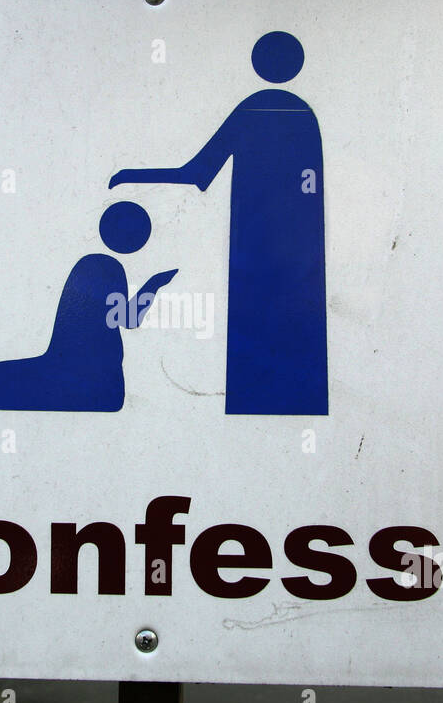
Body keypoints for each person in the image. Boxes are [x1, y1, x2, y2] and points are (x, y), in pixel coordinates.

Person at [109, 31, 327, 415]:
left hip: (257, 259)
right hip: (296, 262)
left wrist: (134, 175)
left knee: (259, 357)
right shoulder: (303, 117)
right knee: (291, 354)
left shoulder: (255, 110)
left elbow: (195, 171)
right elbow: (200, 172)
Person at [0, 201, 177, 412]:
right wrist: (155, 283)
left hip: (97, 375)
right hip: (97, 379)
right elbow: (129, 319)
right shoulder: (106, 267)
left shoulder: (96, 264)